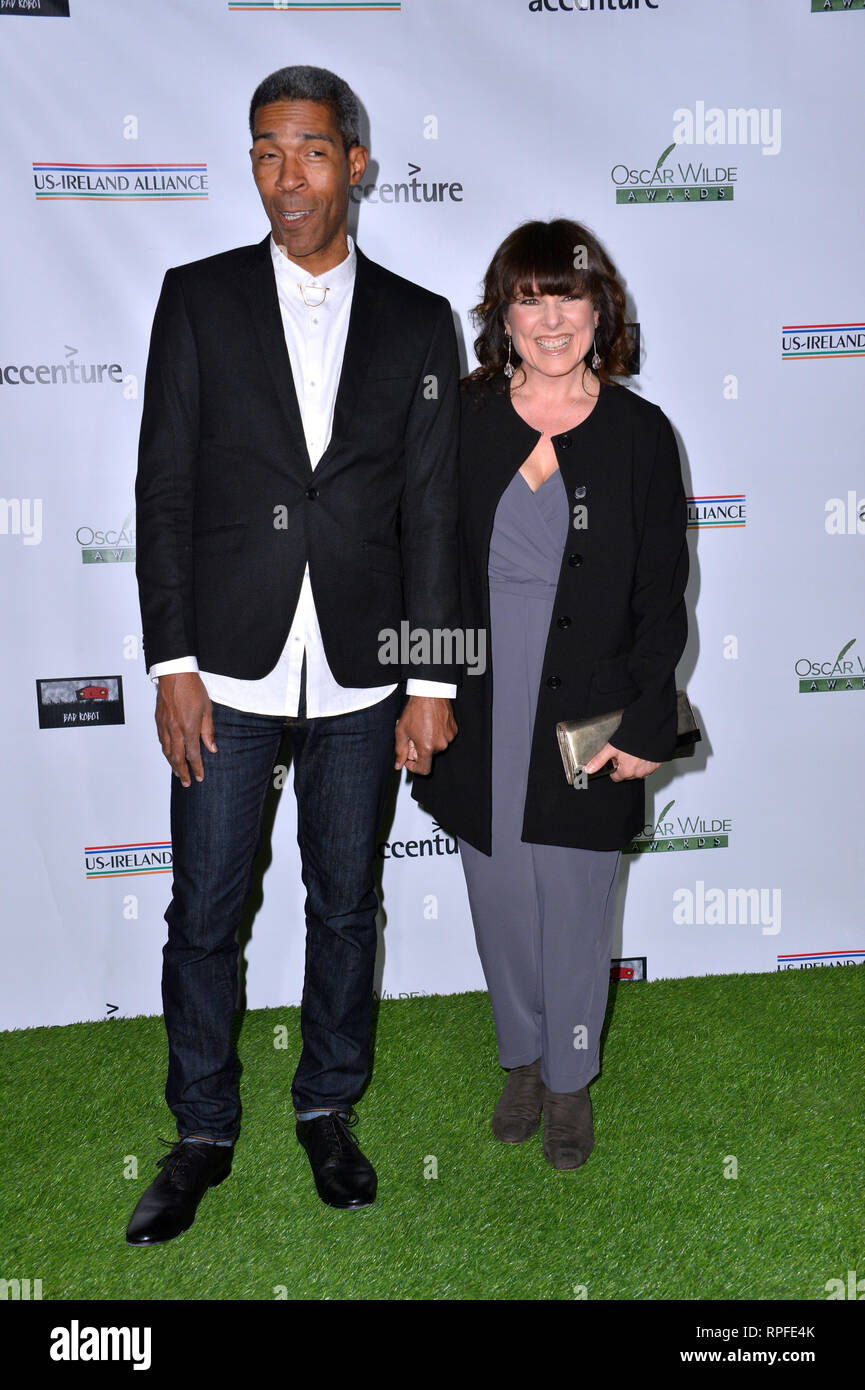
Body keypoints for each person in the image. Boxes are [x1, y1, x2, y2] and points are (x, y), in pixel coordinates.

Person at [126, 65, 460, 1243]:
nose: (287, 177)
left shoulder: (422, 321)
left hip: (368, 673)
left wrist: (430, 680)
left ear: (355, 162)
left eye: (311, 151)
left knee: (346, 901)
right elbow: (161, 492)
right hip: (224, 668)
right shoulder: (197, 298)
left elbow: (433, 513)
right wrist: (171, 661)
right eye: (266, 150)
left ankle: (328, 1104)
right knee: (206, 910)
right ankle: (201, 1127)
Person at [412, 219, 688, 1170]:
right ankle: (521, 1060)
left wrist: (652, 721)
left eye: (567, 295)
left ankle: (570, 1082)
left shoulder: (641, 434)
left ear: (599, 306)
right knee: (498, 897)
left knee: (574, 900)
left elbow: (661, 593)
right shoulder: (463, 415)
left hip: (591, 714)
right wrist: (423, 686)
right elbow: (429, 567)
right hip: (482, 704)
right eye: (529, 298)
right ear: (503, 315)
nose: (551, 316)